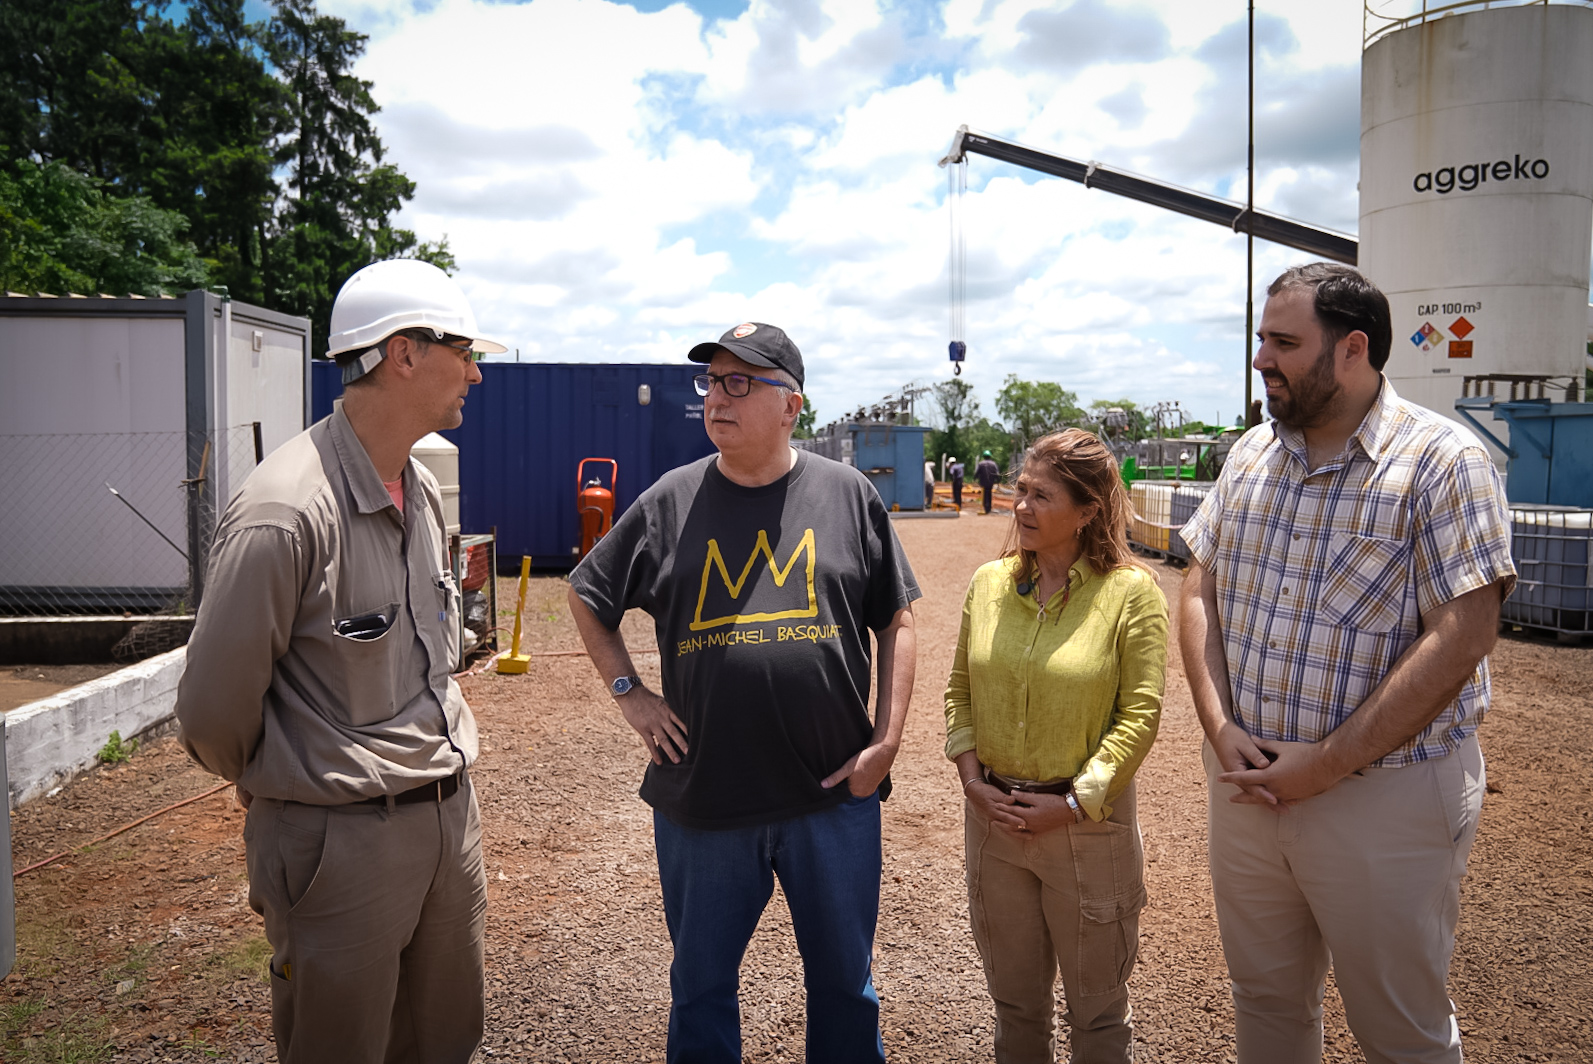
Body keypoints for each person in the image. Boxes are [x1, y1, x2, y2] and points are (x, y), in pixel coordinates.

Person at [1179, 263, 1515, 1064]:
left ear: (1352, 349)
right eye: (1261, 339)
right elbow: (1198, 591)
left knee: (1399, 1032)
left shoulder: (1441, 462)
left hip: (1383, 799)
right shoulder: (1251, 454)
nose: (1262, 359)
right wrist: (1219, 727)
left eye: (1283, 342)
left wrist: (1324, 765)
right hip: (1248, 787)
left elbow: (1464, 635)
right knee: (1263, 1003)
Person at [175, 259, 504, 1064]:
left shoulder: (420, 492)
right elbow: (211, 714)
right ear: (402, 353)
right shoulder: (284, 510)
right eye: (461, 351)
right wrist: (294, 792)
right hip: (339, 847)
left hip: (445, 821)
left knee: (445, 1042)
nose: (474, 373)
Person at [567, 321, 920, 1064]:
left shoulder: (847, 495)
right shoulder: (670, 501)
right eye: (711, 382)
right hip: (705, 800)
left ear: (791, 405)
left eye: (740, 382)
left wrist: (884, 745)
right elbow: (587, 596)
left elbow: (896, 620)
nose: (717, 398)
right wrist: (629, 691)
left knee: (844, 989)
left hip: (830, 795)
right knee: (699, 988)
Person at [946, 428, 1167, 1063]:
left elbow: (1140, 717)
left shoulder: (1131, 595)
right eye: (1020, 490)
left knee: (1096, 1016)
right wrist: (972, 782)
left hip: (1085, 832)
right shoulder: (988, 585)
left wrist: (1071, 805)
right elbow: (960, 690)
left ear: (1089, 510)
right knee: (1015, 1008)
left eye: (1042, 496)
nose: (1021, 507)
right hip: (993, 824)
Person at [975, 449, 1000, 514]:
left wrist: (975, 478)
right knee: (989, 494)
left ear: (984, 456)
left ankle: (985, 507)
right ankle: (988, 508)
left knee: (984, 494)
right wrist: (998, 480)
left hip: (983, 482)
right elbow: (997, 473)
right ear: (990, 456)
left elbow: (977, 472)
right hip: (990, 482)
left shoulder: (981, 464)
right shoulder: (993, 464)